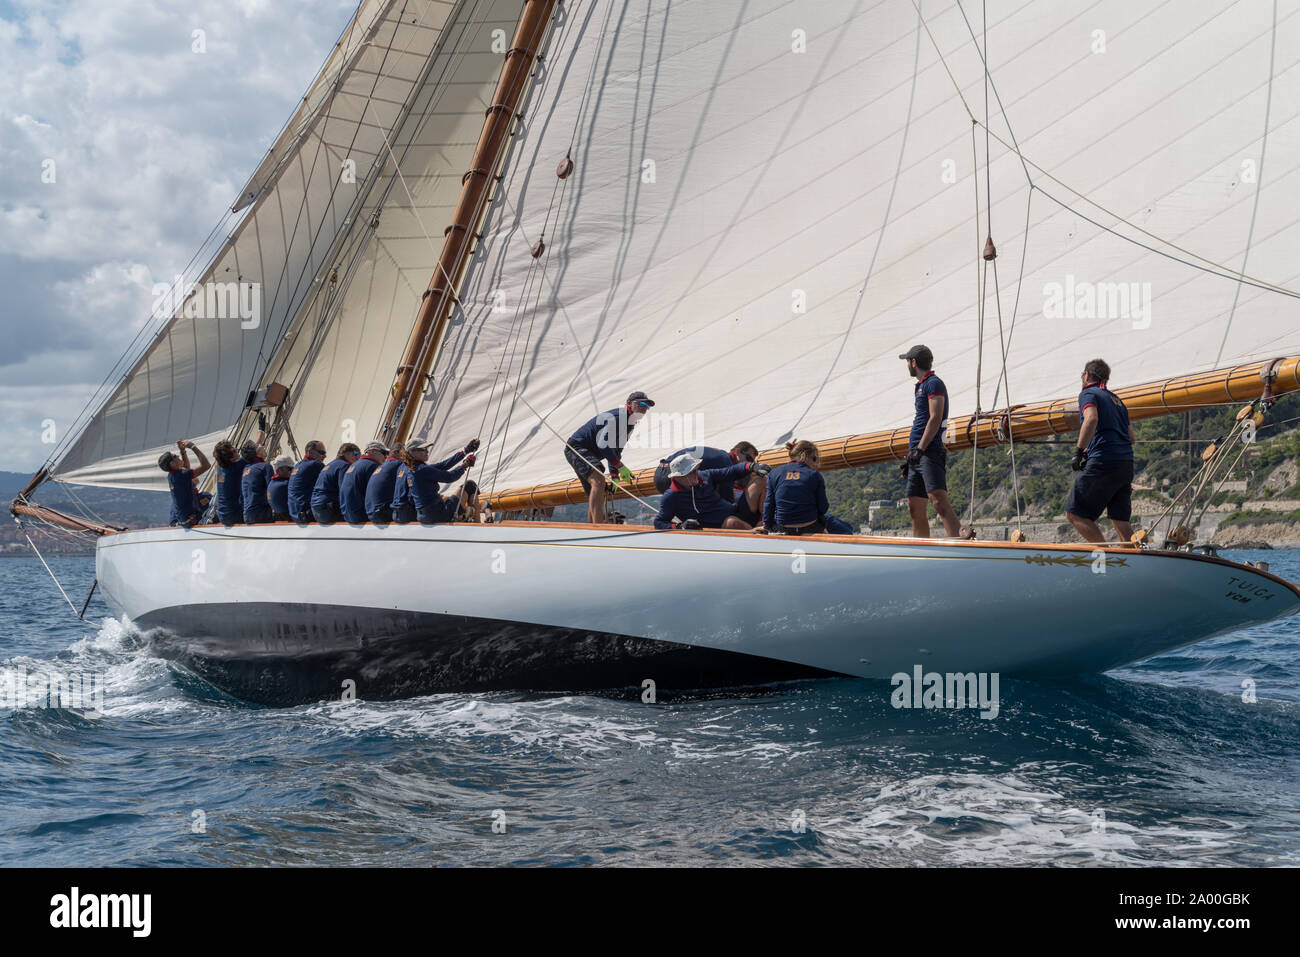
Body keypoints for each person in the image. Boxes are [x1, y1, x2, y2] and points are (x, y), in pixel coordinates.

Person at [1066, 359, 1136, 544]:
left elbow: (1091, 419)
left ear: (1087, 375)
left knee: (1075, 513)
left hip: (1104, 461)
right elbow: (1131, 438)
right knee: (1120, 520)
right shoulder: (1118, 401)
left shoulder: (1088, 394)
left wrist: (1079, 452)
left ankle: (1104, 555)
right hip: (1125, 464)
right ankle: (1132, 560)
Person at [899, 344, 962, 538]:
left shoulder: (933, 383)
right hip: (917, 454)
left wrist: (919, 449)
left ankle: (960, 543)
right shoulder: (921, 385)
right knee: (914, 504)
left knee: (938, 501)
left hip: (929, 451)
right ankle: (921, 548)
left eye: (908, 361)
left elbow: (935, 417)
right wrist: (912, 456)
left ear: (914, 362)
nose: (907, 365)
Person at [566, 391, 653, 523]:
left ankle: (591, 529)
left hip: (588, 452)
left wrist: (614, 474)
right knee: (598, 482)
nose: (645, 408)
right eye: (641, 403)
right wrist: (621, 467)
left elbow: (615, 450)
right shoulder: (619, 417)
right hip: (577, 448)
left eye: (647, 406)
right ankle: (598, 527)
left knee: (596, 491)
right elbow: (603, 444)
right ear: (629, 404)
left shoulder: (629, 424)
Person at [653, 441, 766, 525]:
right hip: (725, 523)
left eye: (696, 469)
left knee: (761, 481)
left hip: (733, 513)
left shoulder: (705, 475)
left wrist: (751, 466)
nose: (696, 474)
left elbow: (731, 472)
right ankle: (756, 532)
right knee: (732, 522)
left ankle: (764, 522)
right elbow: (659, 522)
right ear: (679, 477)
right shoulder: (671, 496)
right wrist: (679, 526)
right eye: (692, 472)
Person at [758, 440, 853, 536]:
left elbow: (769, 505)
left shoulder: (774, 474)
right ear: (804, 455)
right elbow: (823, 507)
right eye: (814, 458)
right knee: (845, 528)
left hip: (783, 528)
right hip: (810, 527)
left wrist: (766, 527)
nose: (815, 463)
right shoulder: (814, 475)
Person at [397, 438, 479, 524]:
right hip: (437, 515)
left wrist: (465, 452)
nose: (427, 451)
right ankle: (477, 526)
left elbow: (443, 465)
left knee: (448, 499)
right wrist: (465, 465)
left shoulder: (412, 468)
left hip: (423, 515)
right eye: (423, 449)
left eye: (427, 449)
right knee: (470, 486)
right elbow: (450, 477)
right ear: (412, 452)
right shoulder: (422, 469)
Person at [212, 416, 267, 526]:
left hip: (223, 516)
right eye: (235, 450)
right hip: (234, 515)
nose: (237, 450)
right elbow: (254, 448)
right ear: (231, 459)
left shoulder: (221, 468)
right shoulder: (236, 467)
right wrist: (261, 428)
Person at [158, 439, 210, 528]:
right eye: (175, 456)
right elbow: (206, 465)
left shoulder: (172, 474)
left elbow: (185, 468)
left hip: (182, 519)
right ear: (172, 463)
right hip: (190, 520)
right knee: (210, 497)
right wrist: (193, 447)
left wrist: (182, 451)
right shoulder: (181, 475)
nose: (177, 456)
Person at [311, 443, 361, 524]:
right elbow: (345, 491)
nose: (357, 458)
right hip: (328, 508)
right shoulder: (344, 466)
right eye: (356, 454)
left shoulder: (330, 464)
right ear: (346, 453)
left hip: (316, 509)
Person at [340, 441, 388, 524]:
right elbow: (375, 493)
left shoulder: (355, 465)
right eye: (384, 453)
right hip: (360, 515)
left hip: (348, 514)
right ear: (372, 451)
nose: (386, 457)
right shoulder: (372, 466)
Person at [287, 440, 327, 523]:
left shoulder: (297, 466)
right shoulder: (316, 464)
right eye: (321, 452)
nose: (325, 456)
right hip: (307, 515)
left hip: (295, 515)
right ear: (310, 452)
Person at [365, 442, 405, 524]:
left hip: (371, 513)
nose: (407, 457)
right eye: (406, 453)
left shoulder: (381, 467)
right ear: (395, 453)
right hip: (382, 513)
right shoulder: (398, 464)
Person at [240, 444, 274, 524]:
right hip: (262, 515)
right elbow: (272, 490)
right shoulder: (265, 466)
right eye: (260, 446)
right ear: (257, 452)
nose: (263, 446)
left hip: (247, 516)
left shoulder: (246, 469)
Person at [268, 455, 293, 522]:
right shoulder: (286, 484)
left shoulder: (272, 482)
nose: (292, 472)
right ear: (279, 470)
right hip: (287, 518)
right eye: (290, 469)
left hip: (277, 518)